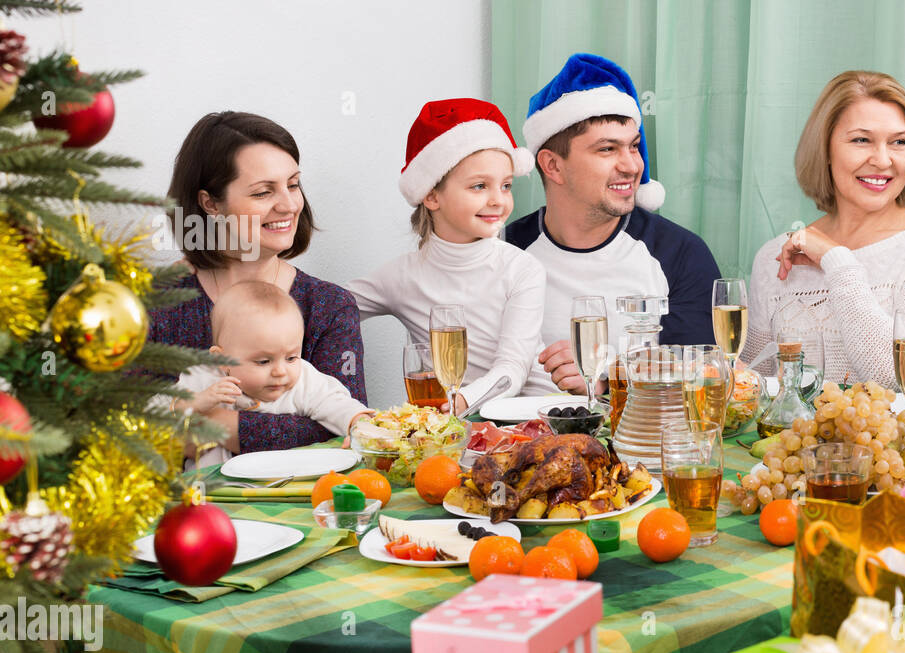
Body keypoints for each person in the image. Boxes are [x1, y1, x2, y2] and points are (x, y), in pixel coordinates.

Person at [504, 53, 721, 395]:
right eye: (607, 149)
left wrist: (609, 375)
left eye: (634, 147)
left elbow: (703, 375)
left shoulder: (680, 254)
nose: (632, 166)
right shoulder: (506, 251)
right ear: (553, 166)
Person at [150, 111, 367, 453]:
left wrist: (209, 426)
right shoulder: (159, 303)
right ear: (210, 204)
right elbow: (131, 431)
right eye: (263, 192)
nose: (289, 204)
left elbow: (345, 429)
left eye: (293, 185)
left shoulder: (329, 305)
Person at [740, 70, 905, 386]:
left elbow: (896, 377)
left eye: (899, 142)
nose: (883, 160)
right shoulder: (774, 256)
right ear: (825, 151)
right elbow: (755, 385)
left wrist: (836, 259)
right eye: (861, 140)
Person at [347, 98, 545, 411]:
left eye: (506, 186)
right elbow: (329, 307)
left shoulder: (522, 269)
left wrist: (456, 403)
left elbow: (513, 369)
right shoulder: (401, 277)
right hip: (463, 427)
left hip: (537, 414)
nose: (499, 200)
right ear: (431, 195)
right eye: (479, 186)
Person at [172, 282, 371, 467]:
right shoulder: (203, 378)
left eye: (291, 357)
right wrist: (194, 404)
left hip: (283, 487)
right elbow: (156, 416)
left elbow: (337, 403)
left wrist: (359, 423)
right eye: (264, 361)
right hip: (215, 493)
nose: (280, 371)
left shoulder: (303, 380)